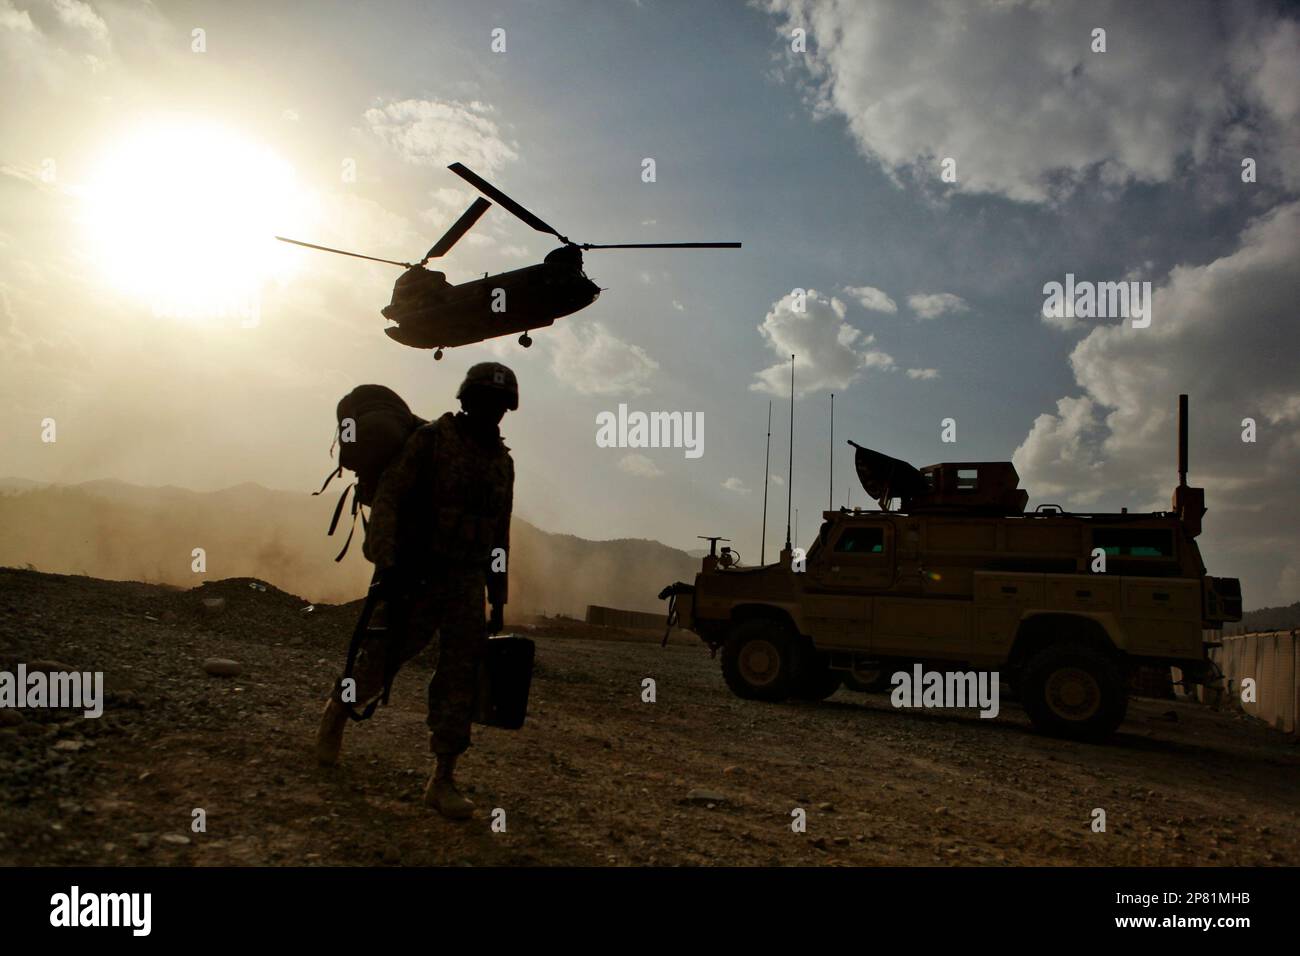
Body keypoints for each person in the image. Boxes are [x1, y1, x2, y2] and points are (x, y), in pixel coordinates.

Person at [315, 362, 517, 820]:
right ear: (465, 400)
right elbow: (390, 494)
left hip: (466, 583)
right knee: (381, 661)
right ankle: (336, 714)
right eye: (484, 402)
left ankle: (442, 778)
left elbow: (499, 532)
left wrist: (497, 593)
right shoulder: (432, 441)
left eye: (500, 406)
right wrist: (386, 560)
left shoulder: (502, 463)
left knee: (460, 678)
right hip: (418, 573)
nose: (492, 412)